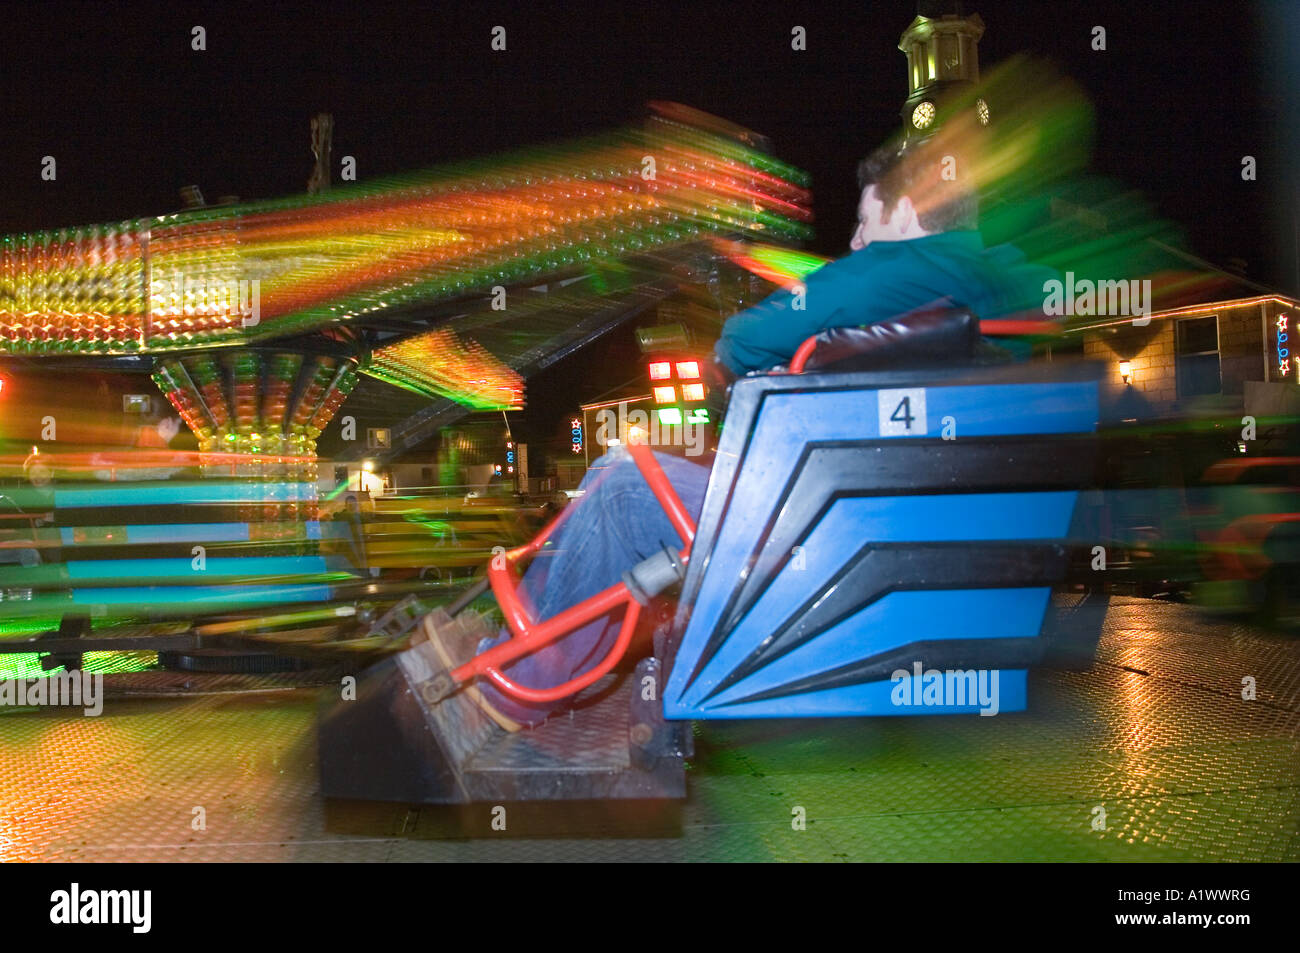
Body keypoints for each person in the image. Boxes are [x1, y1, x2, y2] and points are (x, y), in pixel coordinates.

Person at [425, 138, 1059, 730]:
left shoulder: (903, 268)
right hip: (922, 543)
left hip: (831, 542)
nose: (858, 243)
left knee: (622, 483)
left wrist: (757, 355)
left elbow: (747, 337)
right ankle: (553, 651)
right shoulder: (1009, 288)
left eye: (867, 224)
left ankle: (518, 679)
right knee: (641, 486)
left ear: (911, 209)